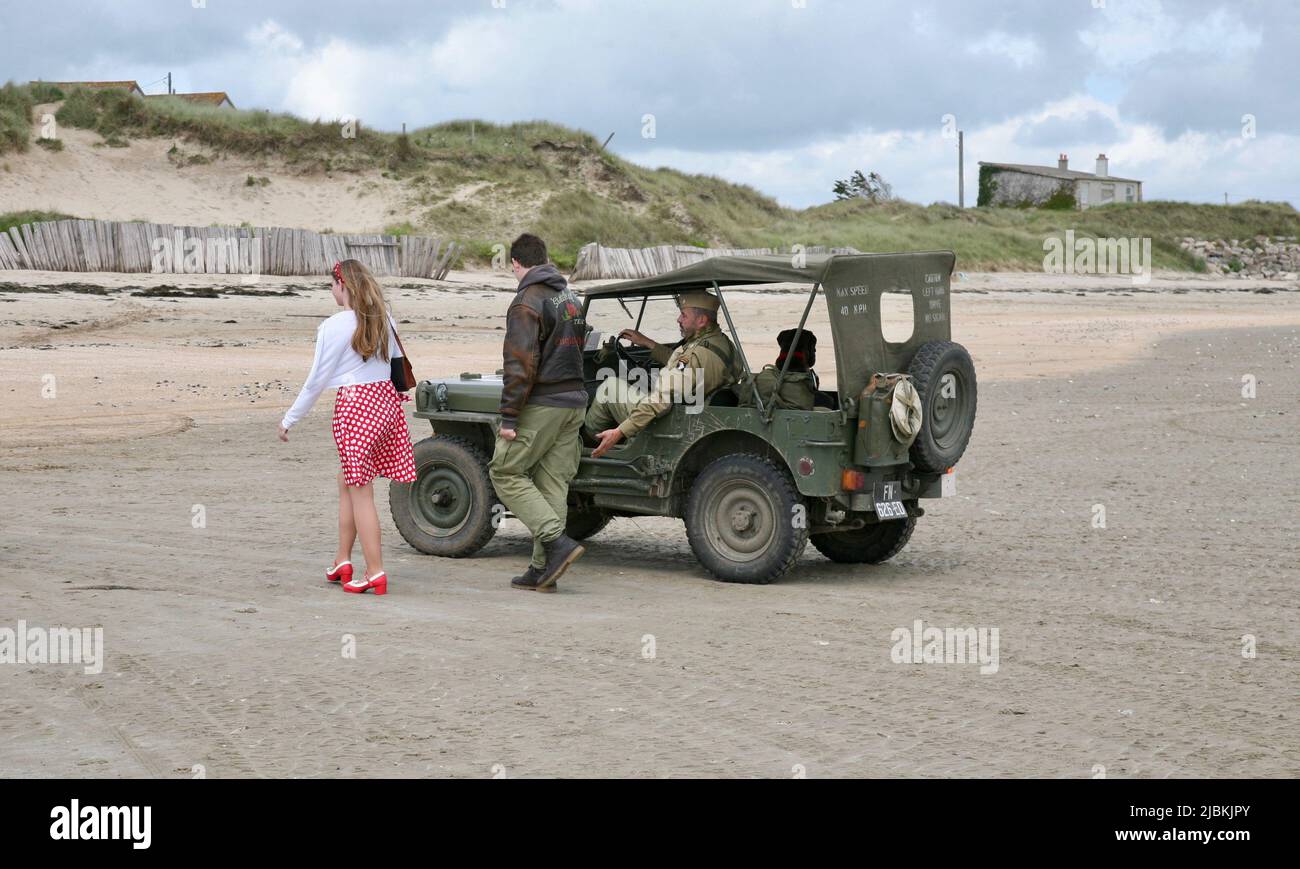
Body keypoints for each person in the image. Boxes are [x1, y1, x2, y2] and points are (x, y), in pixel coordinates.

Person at [278, 259, 416, 596]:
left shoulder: (334, 326)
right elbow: (396, 365)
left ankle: (375, 571)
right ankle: (342, 559)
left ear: (343, 286)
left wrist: (289, 419)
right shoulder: (384, 317)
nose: (331, 291)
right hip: (386, 405)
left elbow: (315, 381)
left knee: (361, 490)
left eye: (332, 285)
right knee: (348, 481)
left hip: (356, 408)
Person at [489, 234, 588, 593]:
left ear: (515, 263)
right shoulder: (570, 297)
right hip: (575, 401)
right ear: (544, 258)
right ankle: (542, 569)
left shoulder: (526, 302)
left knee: (505, 472)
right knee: (552, 484)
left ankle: (556, 542)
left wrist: (510, 417)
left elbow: (519, 364)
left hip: (544, 403)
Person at [587, 291, 739, 458]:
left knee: (610, 387)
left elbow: (662, 399)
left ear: (702, 320)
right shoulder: (723, 344)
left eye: (684, 315)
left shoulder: (696, 353)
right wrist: (647, 343)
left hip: (670, 421)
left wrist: (620, 431)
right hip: (697, 413)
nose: (679, 320)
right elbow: (685, 363)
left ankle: (589, 441)